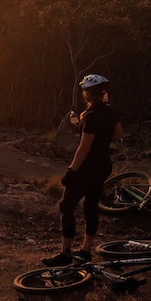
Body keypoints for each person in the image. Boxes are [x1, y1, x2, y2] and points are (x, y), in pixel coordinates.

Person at [42, 74, 123, 266]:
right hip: (103, 165)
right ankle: (85, 251)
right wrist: (93, 131)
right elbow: (118, 134)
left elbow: (84, 148)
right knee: (91, 207)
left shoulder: (91, 115)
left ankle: (65, 254)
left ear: (88, 94)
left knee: (66, 206)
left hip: (86, 168)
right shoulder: (110, 112)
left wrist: (71, 171)